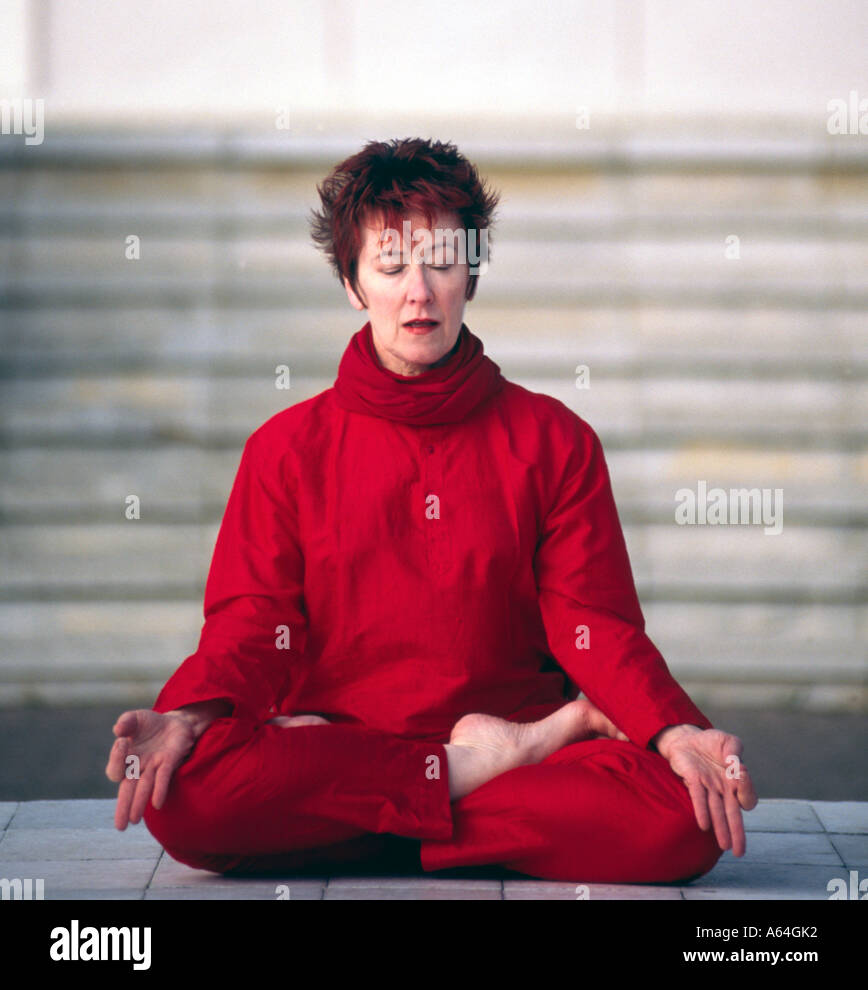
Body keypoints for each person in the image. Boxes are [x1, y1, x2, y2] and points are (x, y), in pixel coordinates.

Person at [105, 136, 757, 884]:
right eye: (390, 266)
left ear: (470, 275)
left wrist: (673, 729)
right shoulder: (284, 450)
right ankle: (466, 780)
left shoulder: (555, 441)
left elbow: (595, 626)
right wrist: (190, 717)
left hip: (419, 752)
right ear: (352, 283)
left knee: (679, 822)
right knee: (184, 797)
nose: (419, 292)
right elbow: (252, 624)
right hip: (380, 744)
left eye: (442, 262)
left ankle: (370, 822)